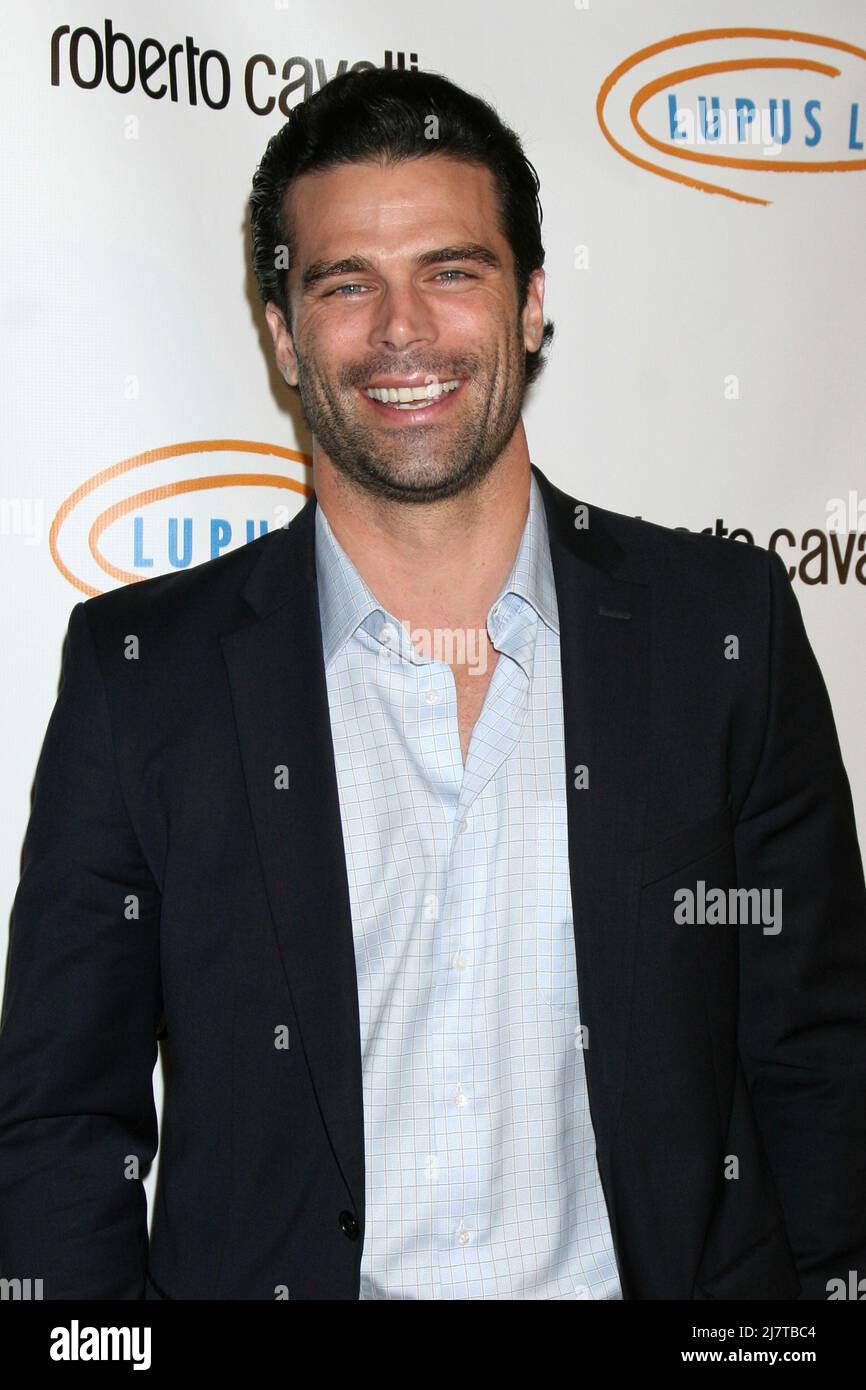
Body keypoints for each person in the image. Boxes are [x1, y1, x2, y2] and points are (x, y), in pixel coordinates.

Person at [1, 65, 864, 1302]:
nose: (401, 329)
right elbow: (61, 1125)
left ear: (529, 308)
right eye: (345, 284)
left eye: (451, 272)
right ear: (282, 336)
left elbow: (814, 1053)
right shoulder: (144, 675)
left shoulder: (720, 634)